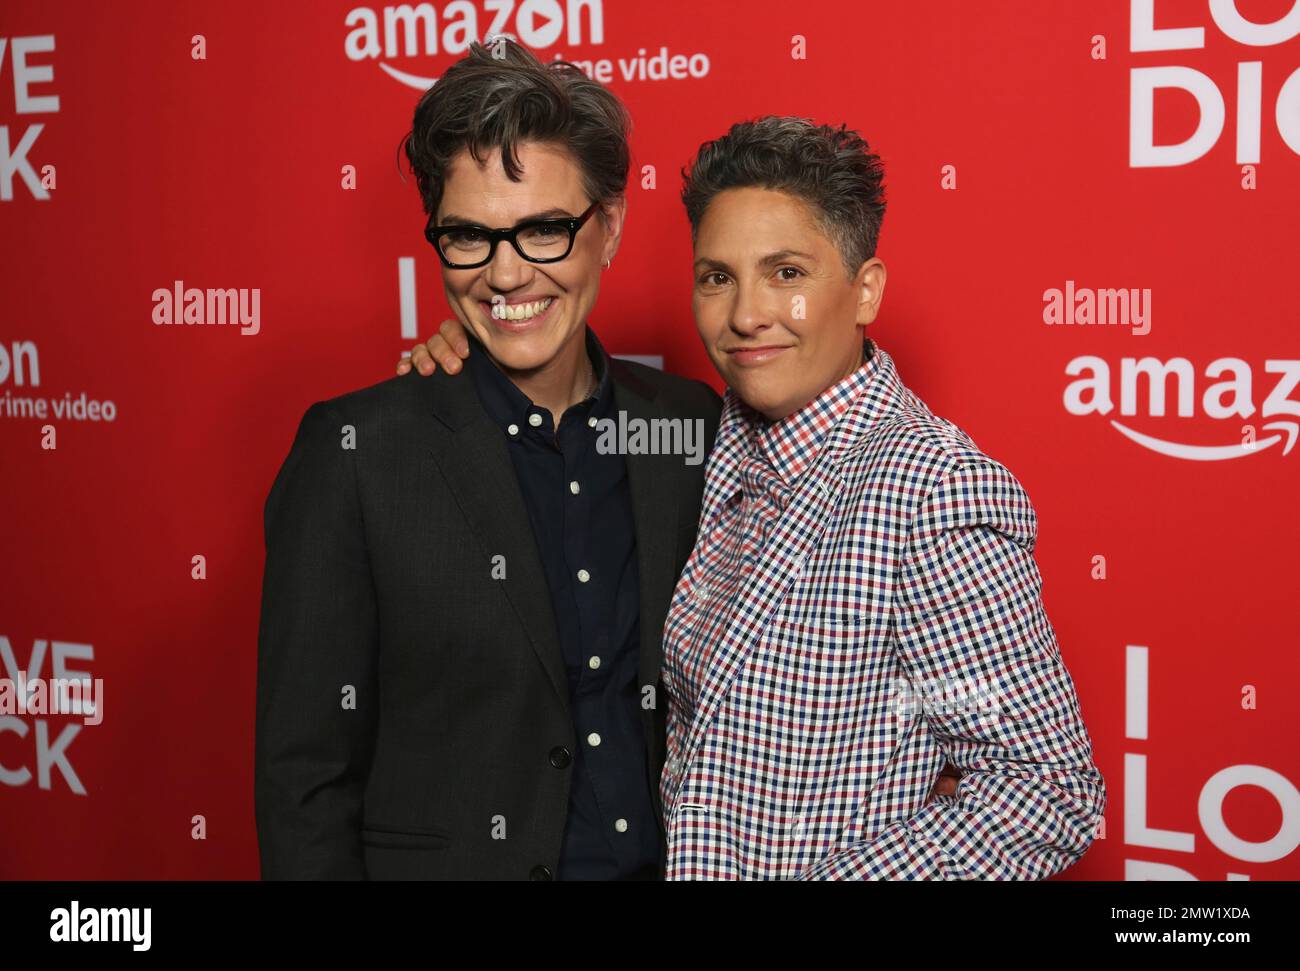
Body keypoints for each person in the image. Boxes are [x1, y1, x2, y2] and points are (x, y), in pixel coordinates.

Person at [406, 116, 1105, 880]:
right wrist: (480, 355)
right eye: (717, 277)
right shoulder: (709, 436)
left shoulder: (929, 487)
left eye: (787, 273)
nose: (745, 314)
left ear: (865, 290)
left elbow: (1046, 791)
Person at [254, 38, 721, 880]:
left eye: (544, 229)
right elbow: (305, 781)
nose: (506, 274)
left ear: (607, 228)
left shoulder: (693, 429)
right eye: (469, 236)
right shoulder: (356, 453)